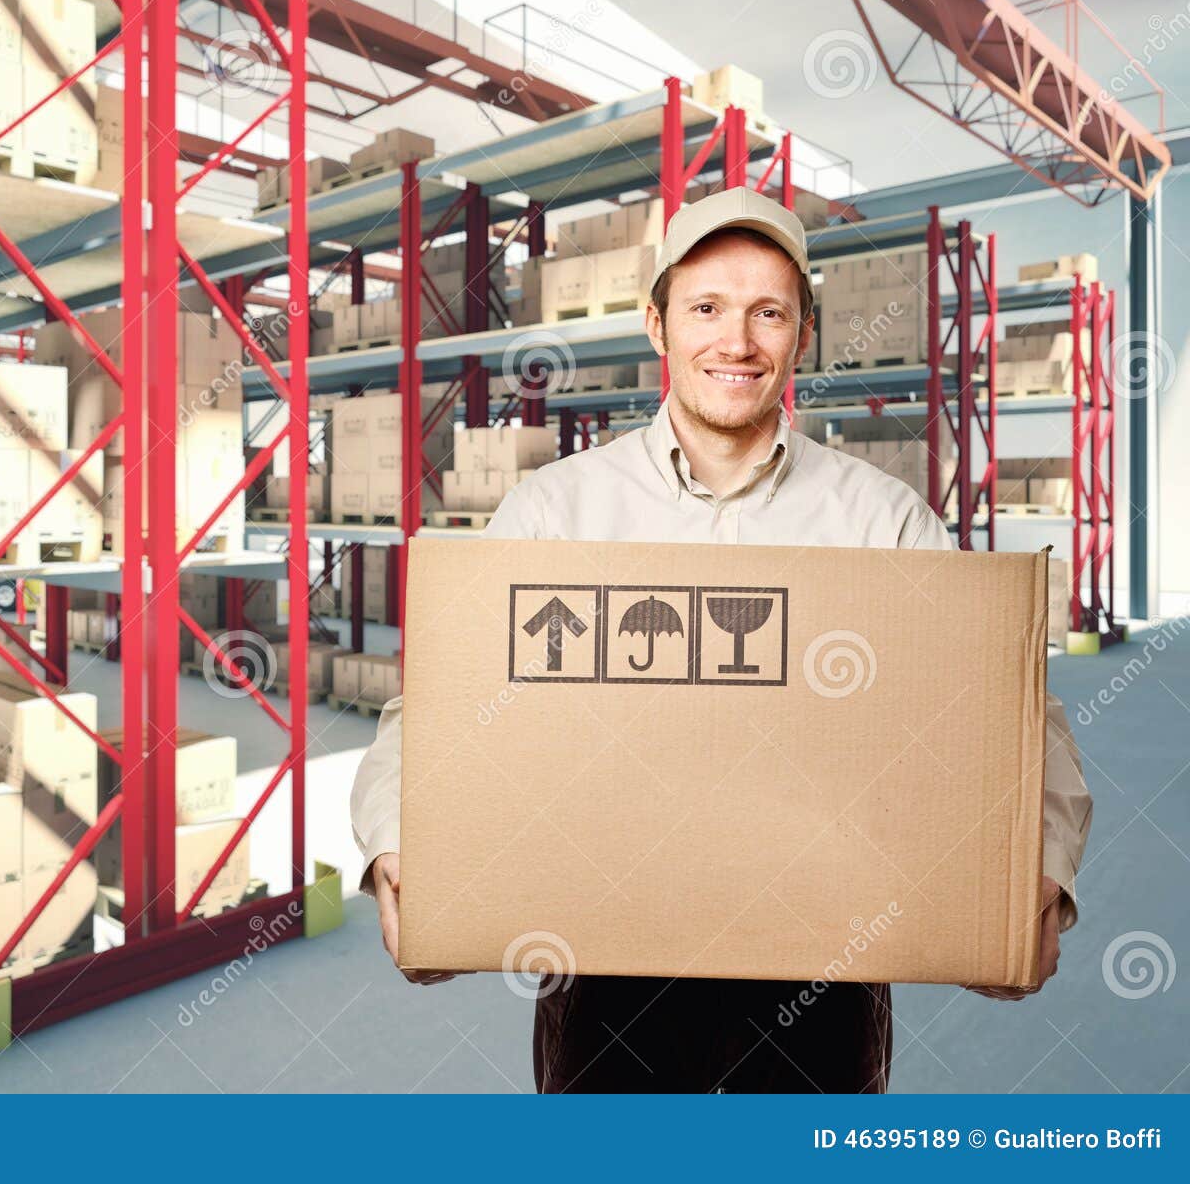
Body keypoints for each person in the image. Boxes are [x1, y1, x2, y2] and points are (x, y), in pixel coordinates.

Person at [350, 187, 1093, 1093]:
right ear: (657, 324)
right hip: (602, 974)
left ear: (802, 335)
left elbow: (1007, 713)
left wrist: (1035, 873)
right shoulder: (557, 511)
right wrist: (400, 846)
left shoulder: (881, 521)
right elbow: (441, 707)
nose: (736, 342)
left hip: (825, 977)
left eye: (767, 313)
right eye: (706, 308)